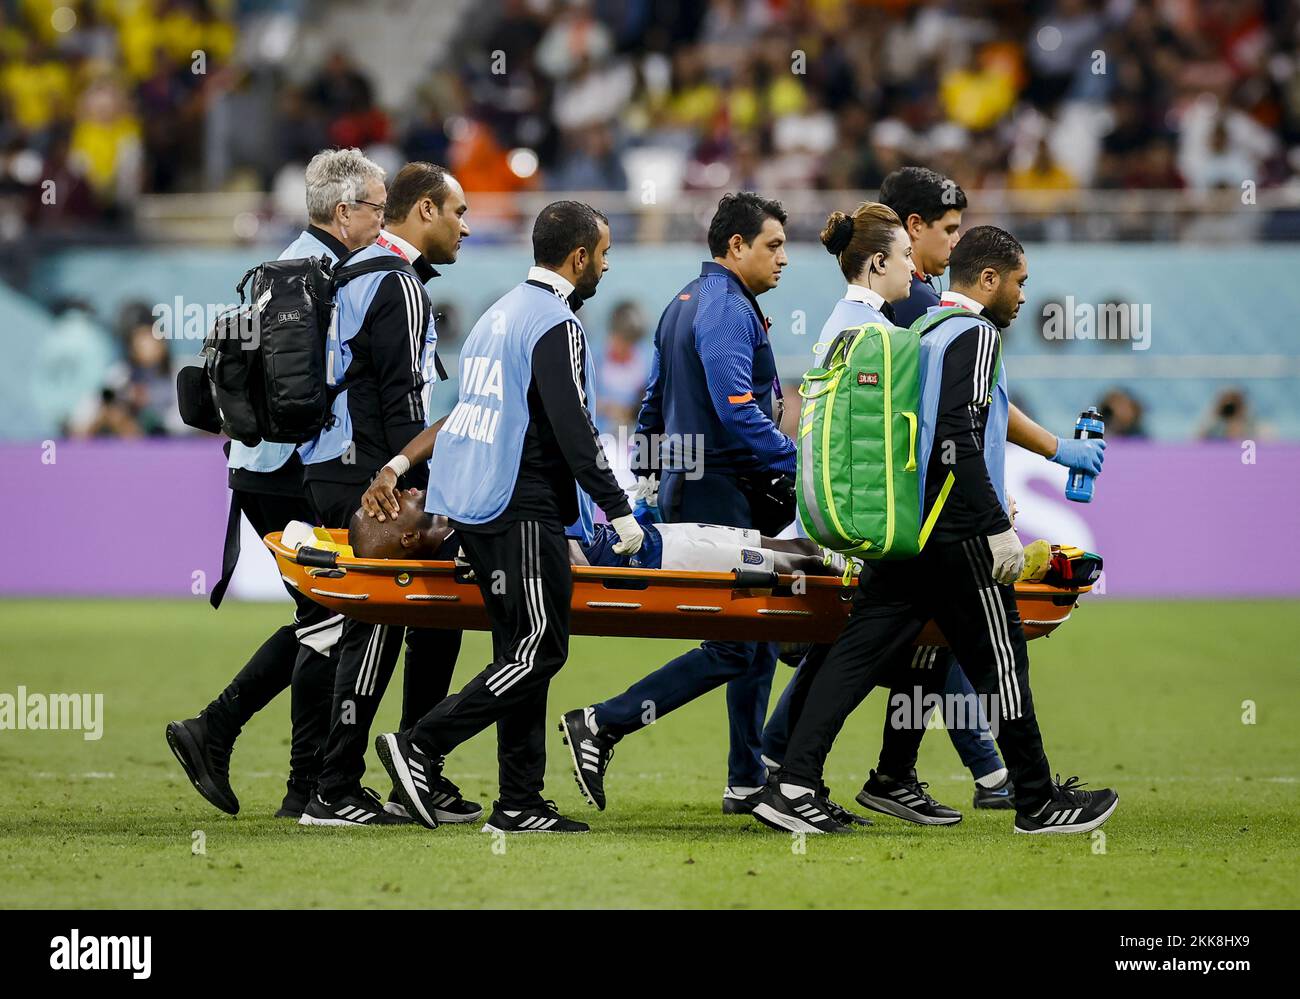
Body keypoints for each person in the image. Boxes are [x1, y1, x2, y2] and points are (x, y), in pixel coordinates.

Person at [750, 226, 1120, 836]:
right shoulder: (975, 336)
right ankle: (1036, 800)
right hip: (957, 534)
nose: (1025, 296)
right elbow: (956, 436)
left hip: (906, 528)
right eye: (1021, 282)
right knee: (1002, 664)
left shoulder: (921, 331)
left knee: (855, 655)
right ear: (990, 279)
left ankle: (792, 783)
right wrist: (995, 527)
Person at [373, 201, 640, 834]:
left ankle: (519, 801)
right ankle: (420, 746)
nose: (605, 265)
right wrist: (617, 510)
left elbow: (468, 414)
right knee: (540, 649)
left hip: (481, 505)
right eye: (603, 254)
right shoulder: (556, 324)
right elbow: (574, 430)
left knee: (517, 651)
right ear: (579, 258)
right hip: (521, 506)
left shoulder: (500, 314)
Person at [557, 191, 795, 817]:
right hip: (720, 490)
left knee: (758, 636)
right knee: (738, 644)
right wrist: (796, 464)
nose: (783, 260)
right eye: (773, 246)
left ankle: (746, 778)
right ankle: (603, 724)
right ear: (735, 246)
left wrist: (649, 476)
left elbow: (653, 405)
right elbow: (735, 406)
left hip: (695, 484)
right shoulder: (725, 309)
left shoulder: (682, 304)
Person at [166, 148, 385, 819]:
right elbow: (308, 397)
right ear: (345, 212)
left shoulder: (280, 264)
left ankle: (269, 763)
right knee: (332, 614)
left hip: (257, 466)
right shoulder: (323, 274)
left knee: (324, 615)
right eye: (378, 208)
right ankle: (288, 773)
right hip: (292, 471)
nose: (384, 221)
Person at [297, 162, 476, 827]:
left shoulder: (354, 273)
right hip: (371, 477)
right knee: (380, 618)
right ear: (425, 210)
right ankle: (337, 785)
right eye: (458, 211)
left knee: (426, 608)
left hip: (332, 465)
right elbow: (402, 399)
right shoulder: (397, 286)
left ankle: (407, 774)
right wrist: (410, 478)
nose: (466, 226)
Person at [349, 487, 847, 579]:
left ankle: (837, 564)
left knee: (756, 543)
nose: (407, 492)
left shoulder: (462, 515)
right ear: (409, 540)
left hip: (642, 541)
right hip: (641, 564)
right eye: (393, 507)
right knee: (776, 557)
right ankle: (847, 571)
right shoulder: (468, 550)